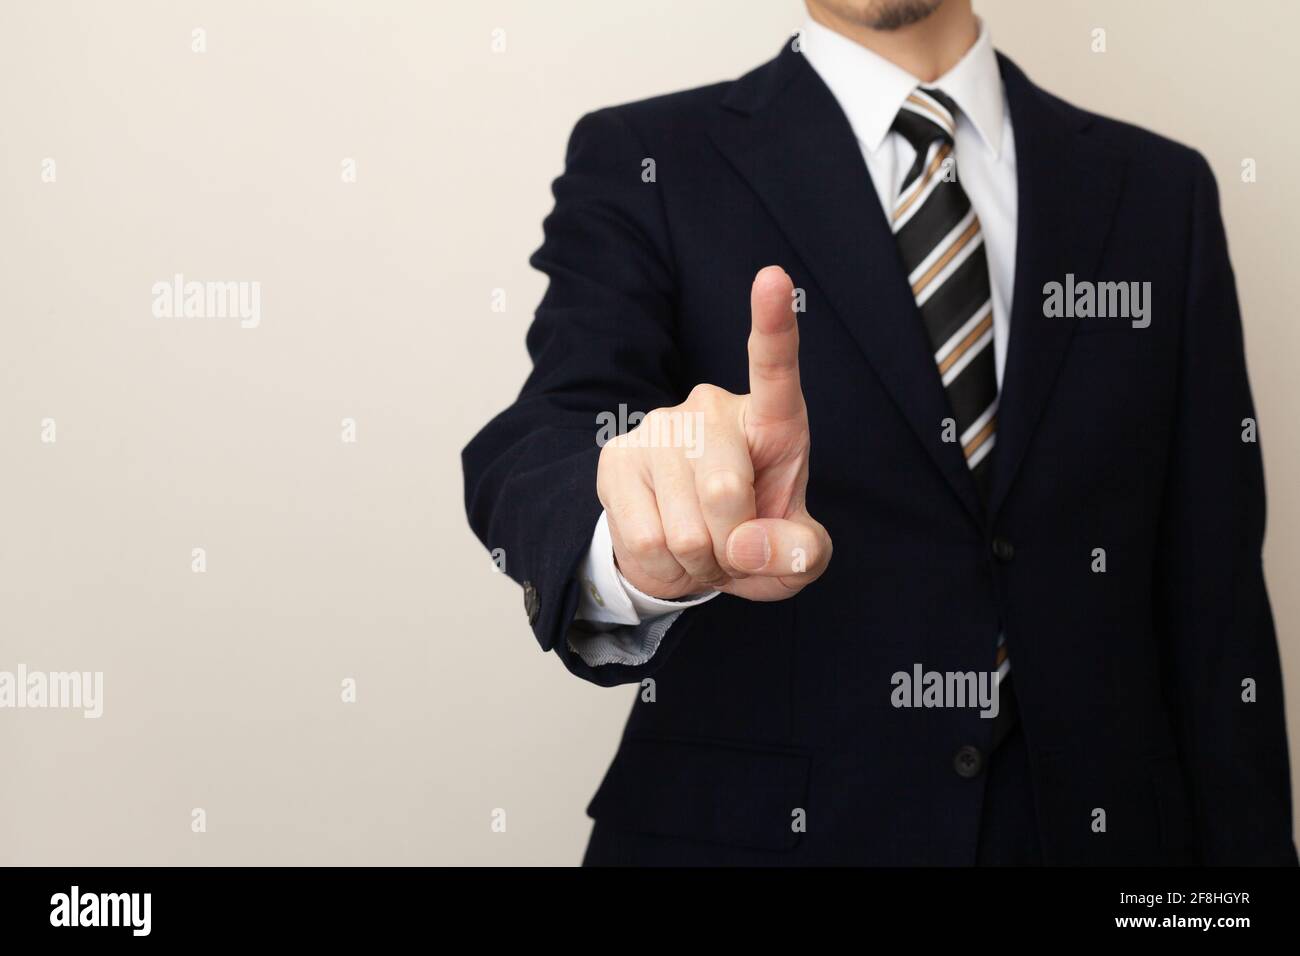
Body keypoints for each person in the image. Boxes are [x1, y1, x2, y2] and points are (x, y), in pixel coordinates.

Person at [462, 0, 1297, 865]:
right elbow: (549, 434)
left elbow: (1216, 597)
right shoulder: (647, 157)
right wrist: (634, 534)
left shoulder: (1161, 190)